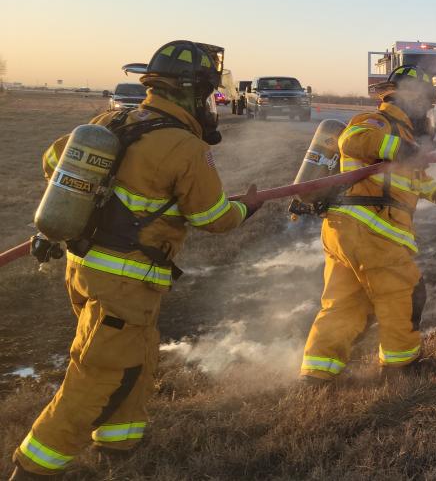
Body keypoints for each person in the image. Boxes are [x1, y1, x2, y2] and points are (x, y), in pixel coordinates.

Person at [11, 41, 261, 479]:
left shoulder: (110, 121)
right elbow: (213, 218)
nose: (208, 102)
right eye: (205, 92)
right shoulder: (184, 146)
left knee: (136, 360)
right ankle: (33, 467)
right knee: (101, 375)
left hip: (86, 267)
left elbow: (52, 162)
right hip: (125, 281)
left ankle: (120, 446)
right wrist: (248, 207)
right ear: (191, 90)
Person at [299, 65, 436, 383]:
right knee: (403, 294)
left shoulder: (400, 134)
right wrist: (402, 149)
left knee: (344, 302)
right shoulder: (380, 122)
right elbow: (352, 140)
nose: (429, 114)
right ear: (413, 100)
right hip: (374, 229)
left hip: (346, 231)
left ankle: (318, 373)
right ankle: (400, 368)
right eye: (428, 105)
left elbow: (411, 178)